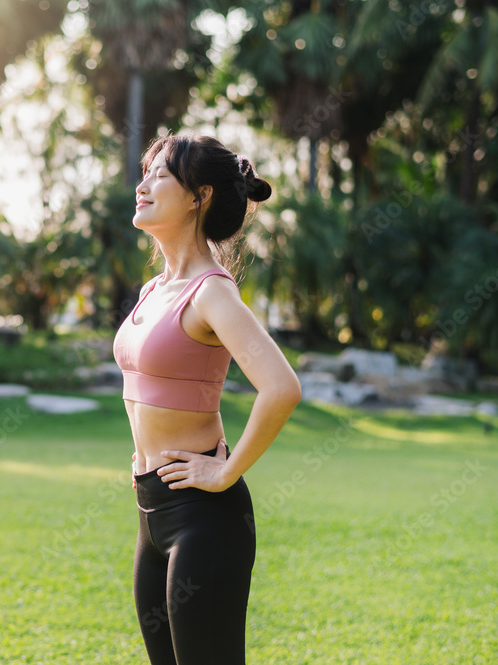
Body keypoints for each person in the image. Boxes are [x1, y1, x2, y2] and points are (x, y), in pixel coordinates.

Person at [112, 134, 302, 665]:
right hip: (152, 510)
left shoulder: (212, 291)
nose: (142, 185)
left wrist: (225, 472)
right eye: (145, 173)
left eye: (161, 176)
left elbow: (282, 387)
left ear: (200, 196)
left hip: (204, 520)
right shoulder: (155, 290)